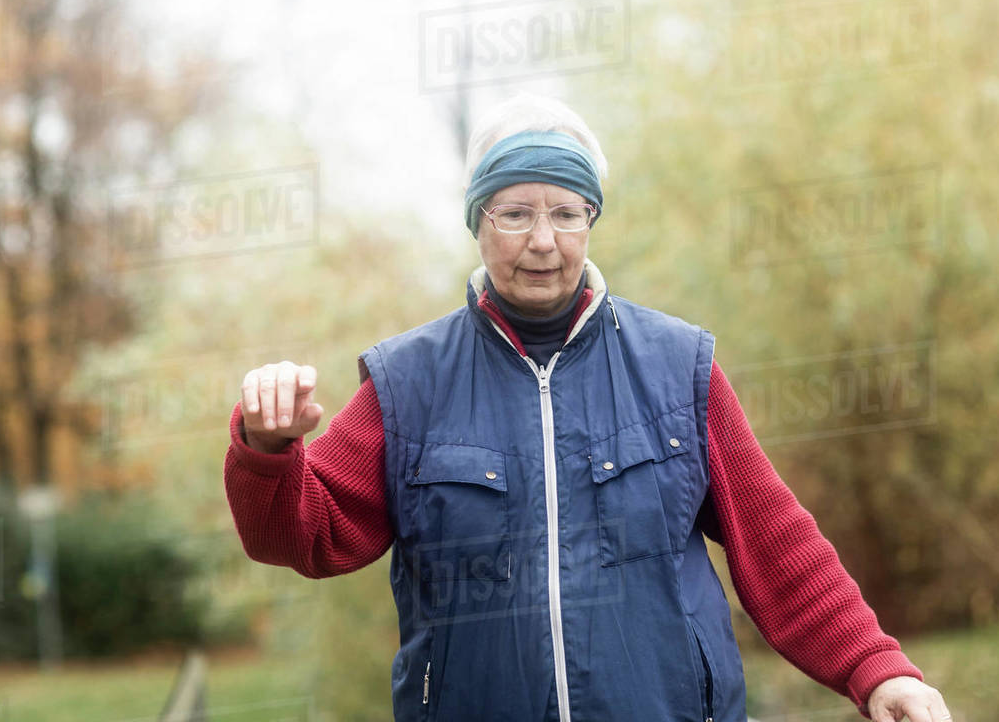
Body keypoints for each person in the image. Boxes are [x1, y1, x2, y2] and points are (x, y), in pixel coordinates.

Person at [224, 94, 953, 722]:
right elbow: (304, 536)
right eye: (515, 213)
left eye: (566, 213)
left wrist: (876, 667)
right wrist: (265, 448)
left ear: (591, 220)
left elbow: (777, 541)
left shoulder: (677, 366)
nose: (543, 241)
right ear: (478, 223)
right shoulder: (407, 382)